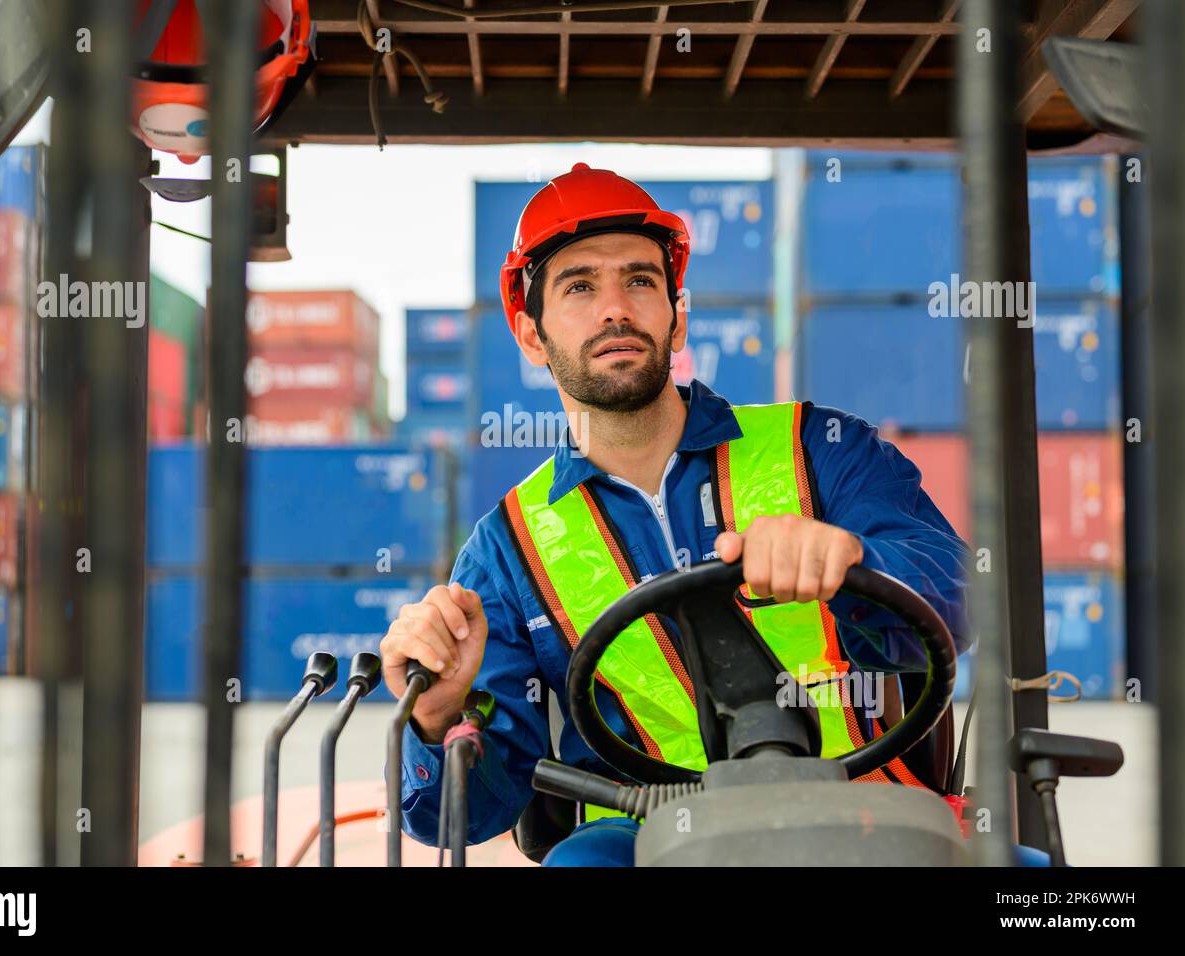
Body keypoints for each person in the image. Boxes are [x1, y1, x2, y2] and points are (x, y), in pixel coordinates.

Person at [379, 163, 972, 867]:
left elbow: (961, 595)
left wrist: (853, 563)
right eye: (578, 287)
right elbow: (464, 818)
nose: (615, 310)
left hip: (866, 809)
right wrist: (438, 714)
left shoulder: (819, 448)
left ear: (676, 313)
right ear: (531, 335)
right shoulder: (507, 550)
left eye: (639, 280)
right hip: (646, 835)